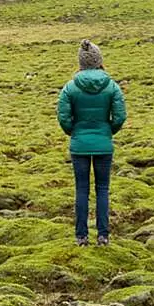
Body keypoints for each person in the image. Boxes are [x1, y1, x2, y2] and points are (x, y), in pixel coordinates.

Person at [56, 40, 127, 246]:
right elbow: (120, 116)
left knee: (81, 189)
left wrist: (73, 132)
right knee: (103, 189)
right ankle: (103, 235)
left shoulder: (70, 87)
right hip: (104, 144)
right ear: (99, 61)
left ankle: (81, 236)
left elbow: (63, 116)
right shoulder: (112, 86)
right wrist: (108, 131)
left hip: (79, 146)